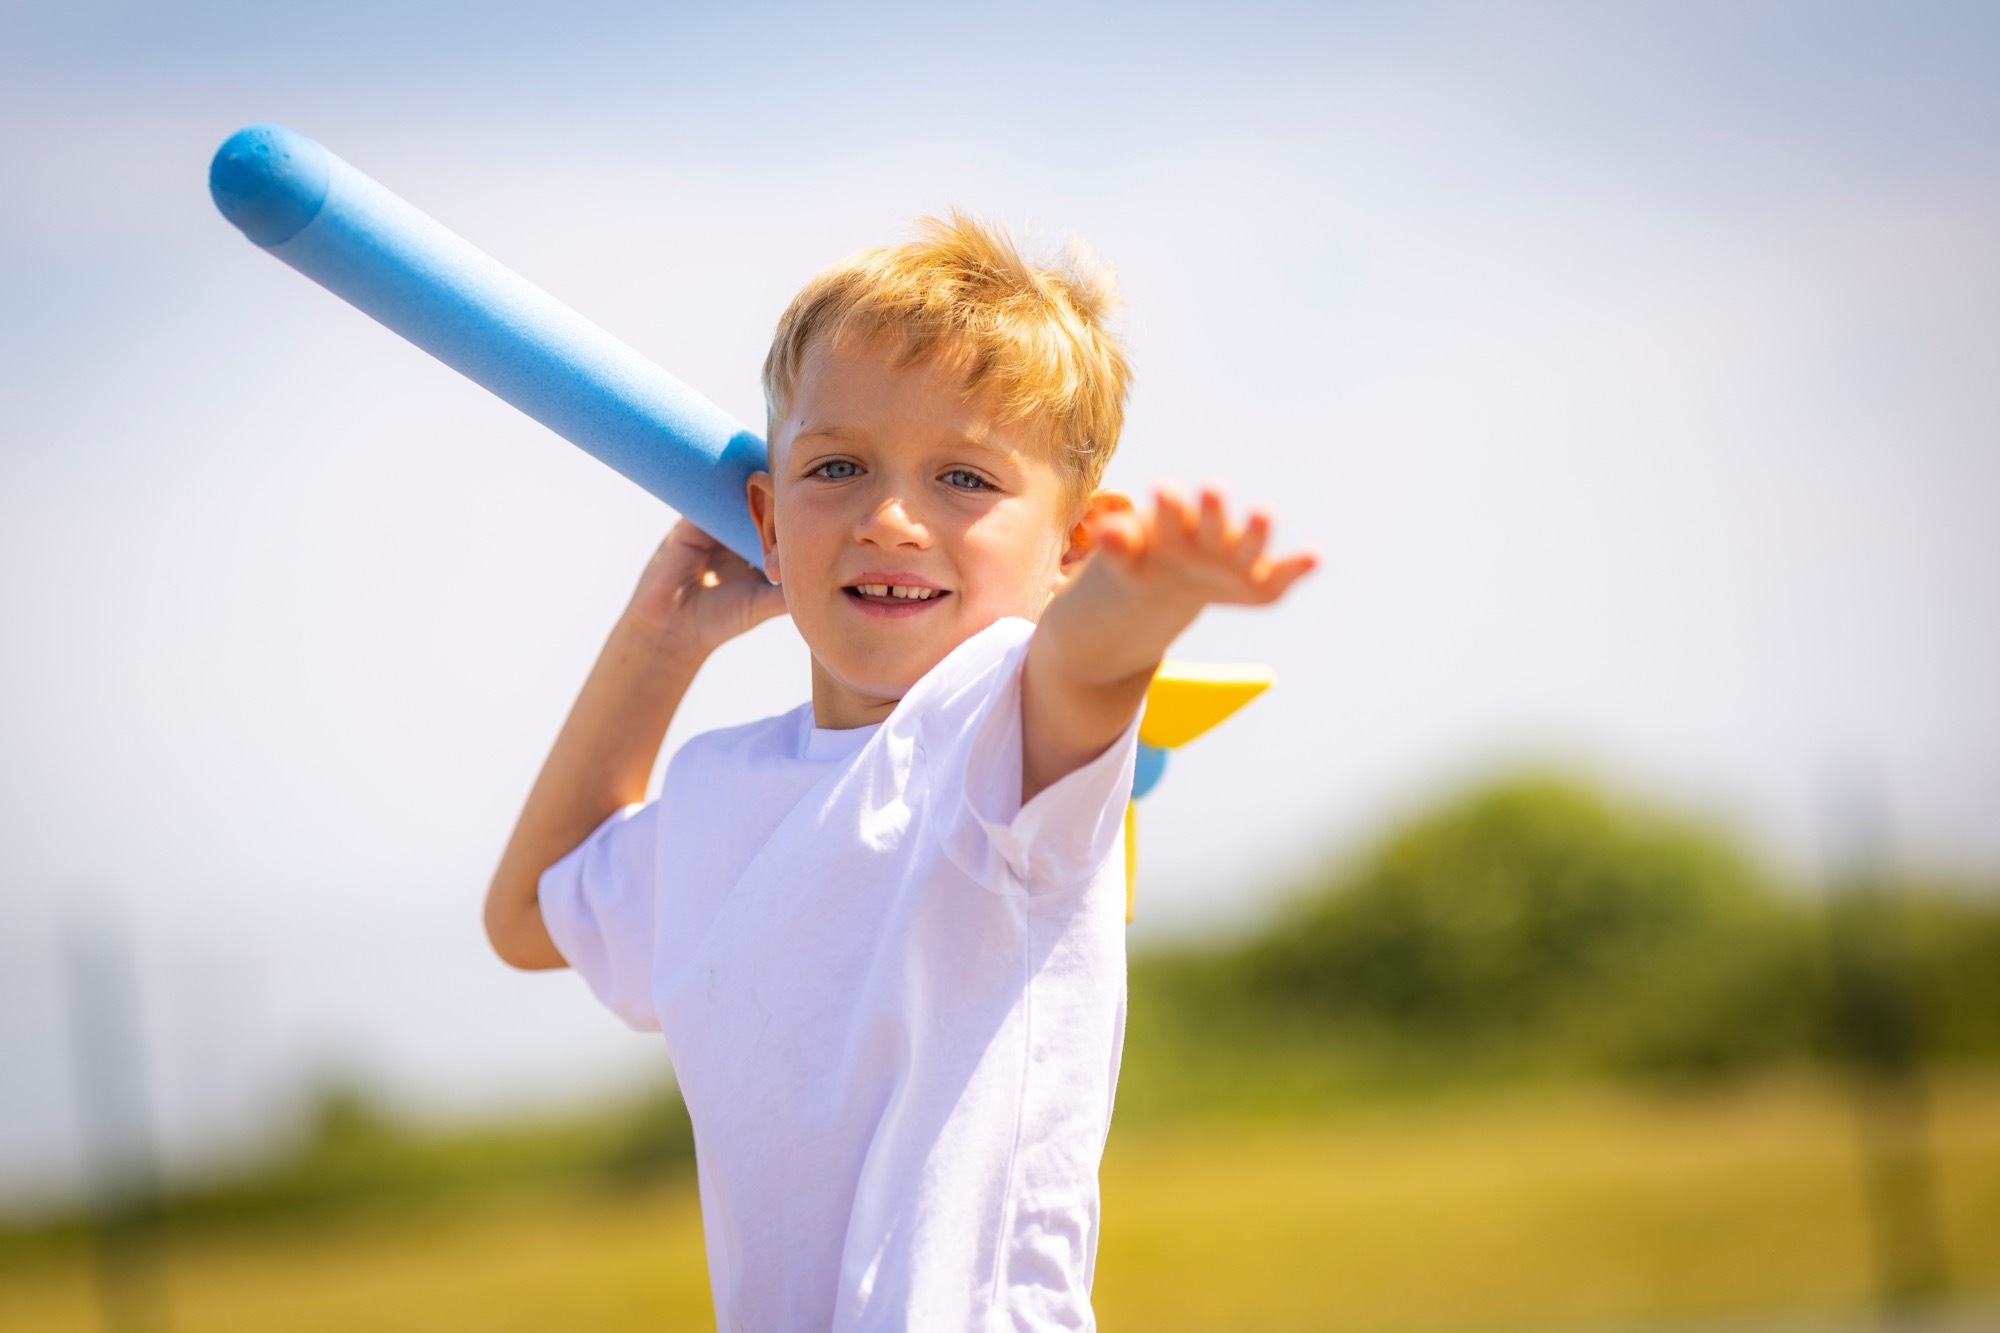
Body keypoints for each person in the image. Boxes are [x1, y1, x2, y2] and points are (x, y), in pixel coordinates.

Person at [482, 214, 1316, 1330]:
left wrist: (1150, 589)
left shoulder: (1001, 730)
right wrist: (657, 638)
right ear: (766, 525)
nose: (888, 517)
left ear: (1072, 546)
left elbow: (1090, 657)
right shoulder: (722, 790)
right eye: (836, 465)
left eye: (964, 478)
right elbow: (530, 917)